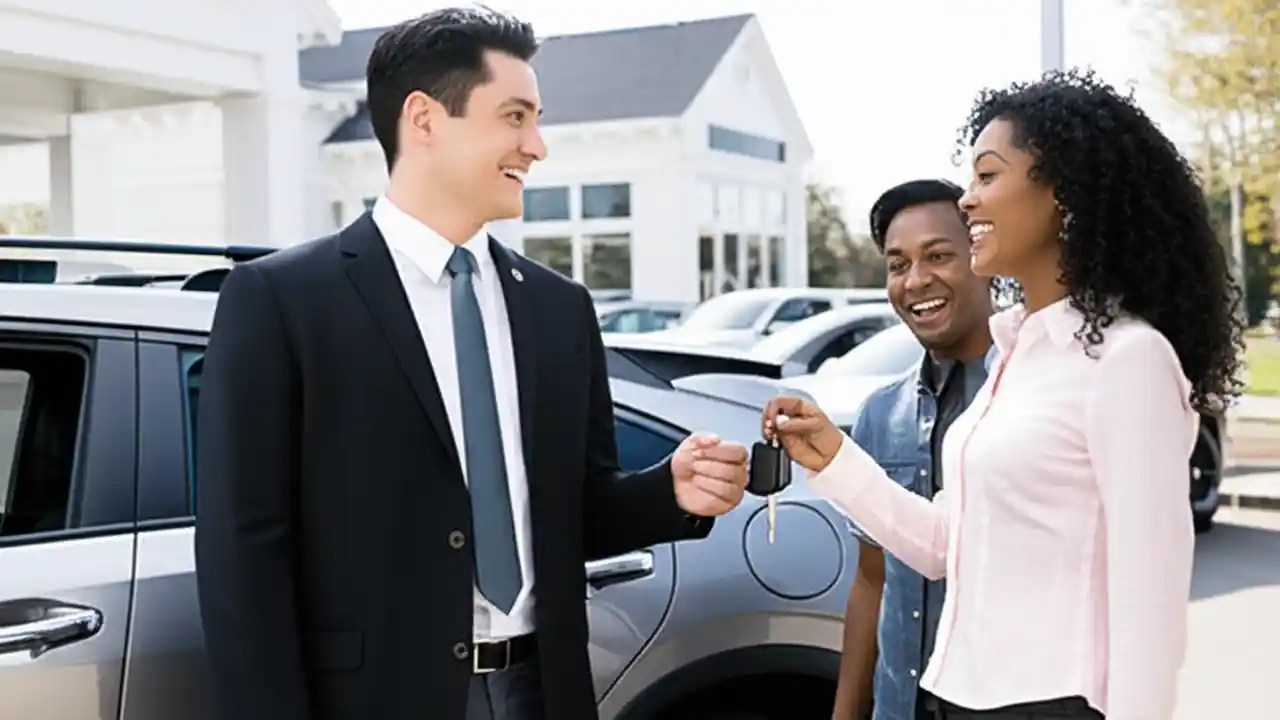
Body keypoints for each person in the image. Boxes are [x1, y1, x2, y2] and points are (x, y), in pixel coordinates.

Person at [193, 8, 750, 720]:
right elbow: (244, 556)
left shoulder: (558, 308)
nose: (537, 146)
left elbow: (570, 513)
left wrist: (667, 491)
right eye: (514, 117)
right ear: (423, 118)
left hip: (540, 694)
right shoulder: (280, 301)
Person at [767, 68, 1244, 720]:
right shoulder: (1016, 355)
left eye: (988, 176)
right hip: (953, 699)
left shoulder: (1128, 360)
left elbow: (1150, 612)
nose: (968, 200)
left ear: (1064, 194)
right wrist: (832, 457)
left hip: (1051, 704)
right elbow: (944, 545)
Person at [830, 179, 995, 720]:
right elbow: (871, 581)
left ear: (983, 256)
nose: (916, 280)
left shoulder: (1027, 401)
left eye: (939, 255)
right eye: (897, 264)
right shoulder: (881, 414)